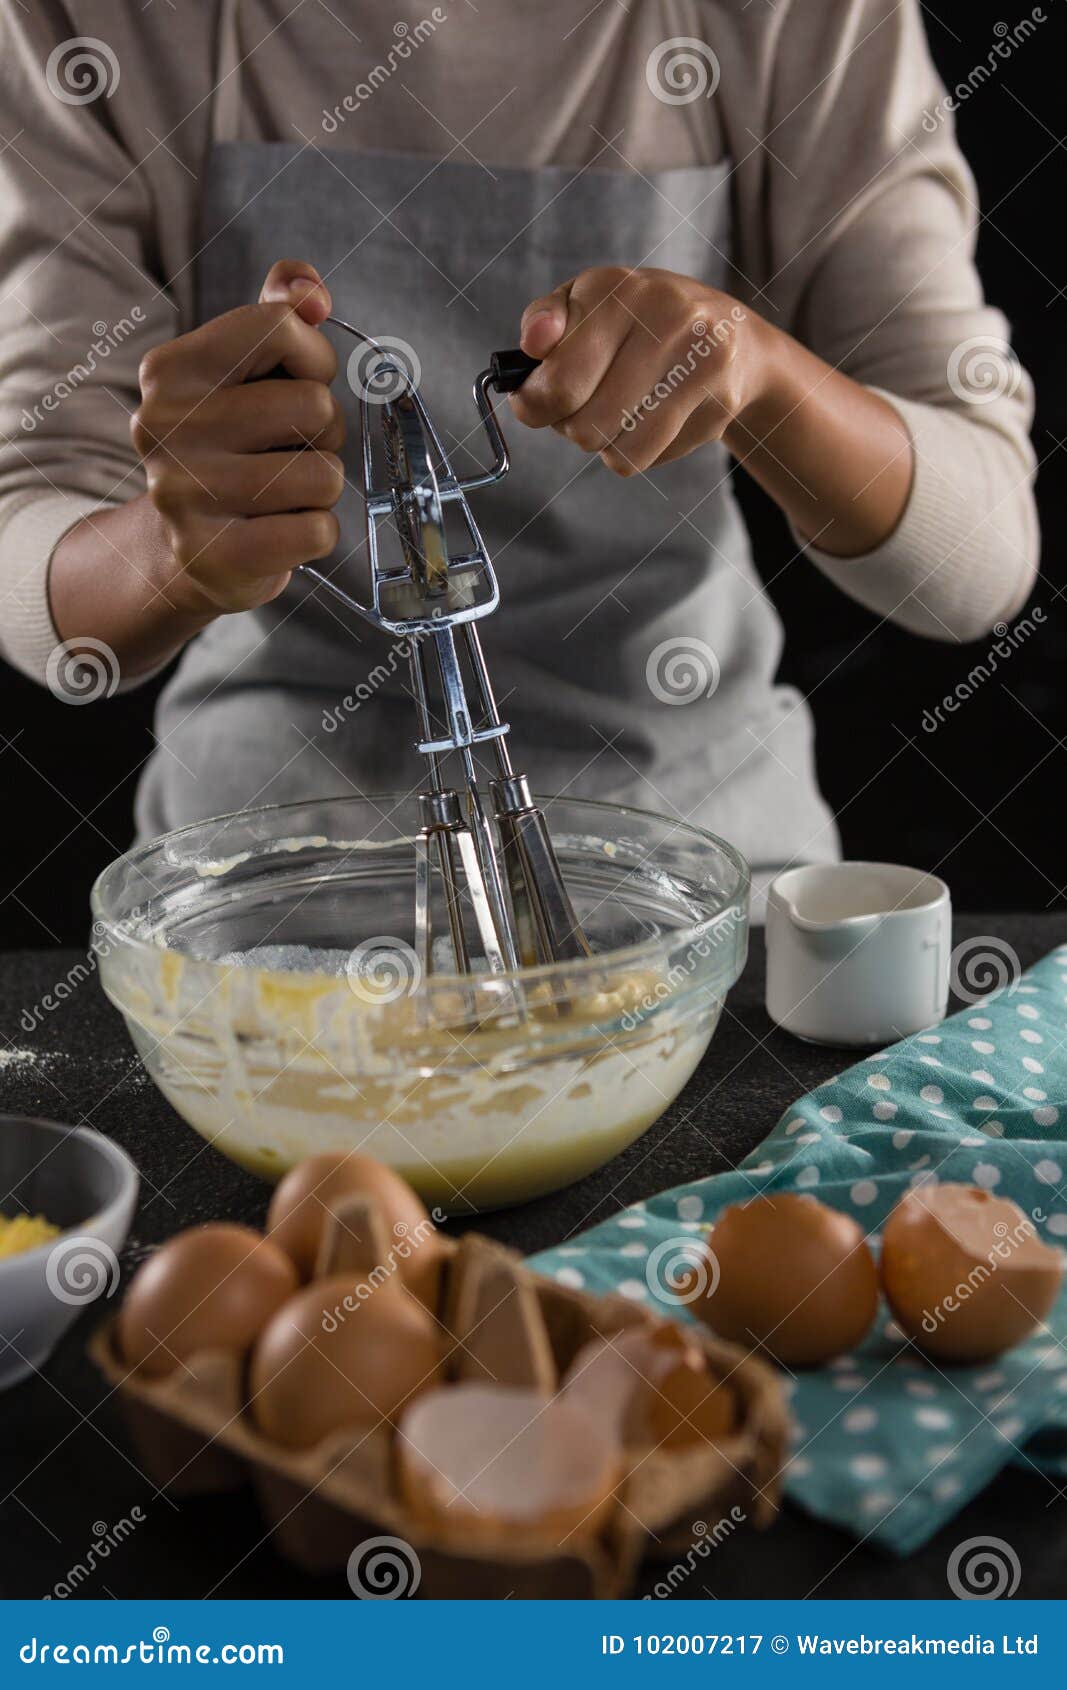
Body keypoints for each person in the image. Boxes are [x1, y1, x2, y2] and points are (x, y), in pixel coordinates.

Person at [0, 2, 1038, 903]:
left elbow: (974, 565)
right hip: (258, 886)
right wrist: (172, 550)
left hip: (701, 880)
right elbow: (34, 556)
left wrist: (763, 377)